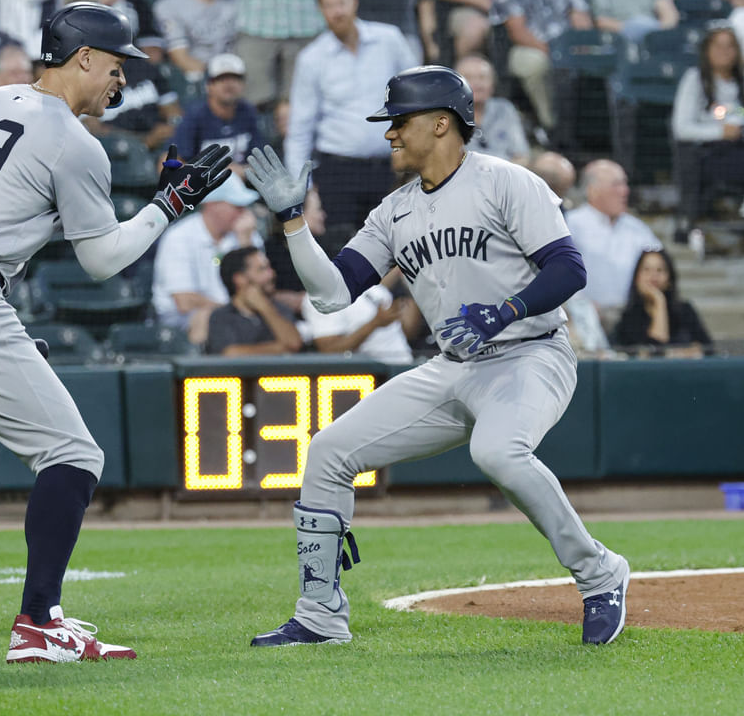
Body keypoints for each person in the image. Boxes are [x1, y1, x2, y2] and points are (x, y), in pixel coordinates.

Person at [0, 2, 231, 662]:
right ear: (84, 57)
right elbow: (102, 261)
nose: (123, 82)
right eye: (117, 67)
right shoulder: (74, 141)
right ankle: (39, 621)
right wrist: (169, 205)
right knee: (74, 455)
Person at [243, 65, 629, 648]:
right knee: (327, 452)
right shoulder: (394, 210)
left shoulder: (506, 181)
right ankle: (320, 614)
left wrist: (506, 310)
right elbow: (331, 293)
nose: (391, 133)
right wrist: (293, 222)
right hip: (453, 366)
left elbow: (569, 268)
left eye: (400, 121)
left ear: (441, 123)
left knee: (497, 451)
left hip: (531, 354)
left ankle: (599, 573)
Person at [285, 0, 416, 231]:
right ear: (320, 10)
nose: (337, 12)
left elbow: (417, 99)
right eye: (329, 6)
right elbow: (299, 132)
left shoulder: (389, 40)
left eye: (341, 3)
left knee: (395, 250)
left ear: (355, 1)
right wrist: (305, 197)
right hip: (337, 172)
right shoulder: (312, 58)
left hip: (391, 168)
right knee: (343, 256)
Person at [672, 23, 744, 268]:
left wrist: (742, 128)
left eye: (730, 46)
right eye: (718, 45)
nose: (724, 51)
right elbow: (681, 128)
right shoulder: (694, 79)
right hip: (710, 153)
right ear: (707, 50)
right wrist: (720, 131)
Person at [489, 0, 592, 132]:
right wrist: (554, 53)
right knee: (535, 64)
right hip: (528, 47)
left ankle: (586, 132)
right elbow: (517, 30)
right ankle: (552, 127)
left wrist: (577, 48)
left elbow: (581, 20)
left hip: (567, 48)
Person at [151, 174, 262, 344]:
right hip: (182, 323)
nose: (244, 213)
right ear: (212, 205)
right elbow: (184, 301)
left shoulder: (247, 234)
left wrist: (245, 245)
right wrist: (235, 311)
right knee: (206, 318)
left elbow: (261, 289)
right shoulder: (179, 236)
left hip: (237, 315)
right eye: (236, 206)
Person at [566, 159, 661, 312]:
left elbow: (660, 263)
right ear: (593, 190)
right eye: (616, 184)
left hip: (633, 316)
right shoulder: (570, 225)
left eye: (625, 184)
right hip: (585, 317)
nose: (625, 191)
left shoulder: (638, 228)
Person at [172, 52, 265, 184]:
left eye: (235, 78)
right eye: (221, 79)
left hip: (242, 188)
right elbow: (169, 163)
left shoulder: (248, 111)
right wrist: (217, 172)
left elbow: (262, 163)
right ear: (209, 85)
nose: (229, 84)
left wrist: (238, 172)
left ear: (243, 84)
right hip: (202, 191)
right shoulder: (195, 115)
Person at [205, 245, 305, 355]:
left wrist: (265, 307)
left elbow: (294, 344)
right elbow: (230, 354)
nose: (271, 274)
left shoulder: (281, 310)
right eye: (262, 269)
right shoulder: (221, 316)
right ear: (240, 279)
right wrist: (281, 348)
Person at [611, 249, 712, 354]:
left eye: (660, 270)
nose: (653, 276)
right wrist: (659, 301)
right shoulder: (629, 318)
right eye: (646, 270)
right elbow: (655, 351)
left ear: (669, 278)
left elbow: (708, 349)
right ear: (637, 277)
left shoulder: (685, 311)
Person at [456, 53, 529, 164]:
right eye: (469, 78)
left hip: (507, 175)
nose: (477, 84)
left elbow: (522, 155)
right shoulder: (447, 116)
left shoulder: (505, 108)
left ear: (493, 83)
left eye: (482, 77)